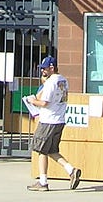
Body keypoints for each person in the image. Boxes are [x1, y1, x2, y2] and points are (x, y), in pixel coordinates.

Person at [24, 56, 80, 191]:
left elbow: (44, 102)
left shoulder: (51, 82)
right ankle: (71, 170)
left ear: (52, 68)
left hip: (48, 121)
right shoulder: (63, 80)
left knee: (41, 150)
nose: (42, 71)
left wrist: (32, 101)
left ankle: (43, 182)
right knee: (52, 150)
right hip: (59, 120)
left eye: (44, 69)